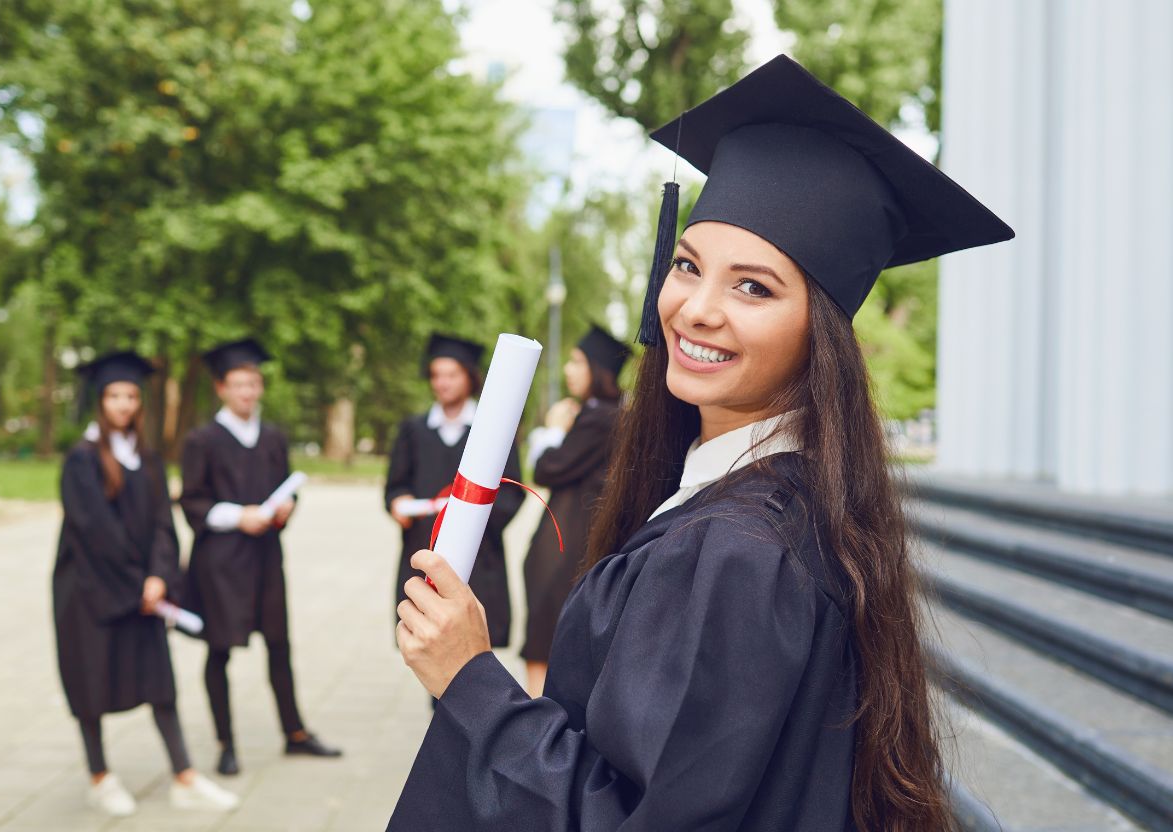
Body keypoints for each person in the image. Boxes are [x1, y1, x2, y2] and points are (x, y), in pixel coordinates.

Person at [387, 55, 1014, 831]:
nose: (695, 309)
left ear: (818, 334)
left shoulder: (734, 553)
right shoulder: (796, 506)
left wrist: (469, 678)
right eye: (687, 266)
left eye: (753, 286)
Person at [53, 351, 238, 816]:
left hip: (143, 591)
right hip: (90, 592)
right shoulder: (81, 460)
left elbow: (162, 523)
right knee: (91, 683)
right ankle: (100, 776)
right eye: (114, 396)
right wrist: (141, 583)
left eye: (131, 396)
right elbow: (95, 532)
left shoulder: (148, 458)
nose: (123, 404)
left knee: (159, 684)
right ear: (100, 401)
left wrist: (159, 576)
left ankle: (184, 776)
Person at [179, 338, 341, 777]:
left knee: (279, 643)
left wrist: (286, 510)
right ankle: (225, 742)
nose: (247, 392)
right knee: (219, 649)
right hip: (221, 560)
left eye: (253, 383)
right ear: (221, 389)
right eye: (238, 384)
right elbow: (192, 502)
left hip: (267, 556)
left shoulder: (272, 438)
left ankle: (295, 733)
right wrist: (238, 516)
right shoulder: (202, 440)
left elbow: (288, 488)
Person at [385, 333, 525, 655]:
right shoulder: (413, 430)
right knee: (427, 639)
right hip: (424, 548)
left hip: (479, 555)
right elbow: (395, 485)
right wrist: (397, 503)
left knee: (473, 649)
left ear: (469, 377)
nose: (442, 383)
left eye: (451, 375)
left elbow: (512, 492)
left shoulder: (492, 431)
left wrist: (472, 520)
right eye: (436, 375)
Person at [521, 325, 628, 696]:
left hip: (566, 543)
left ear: (598, 369)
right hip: (576, 540)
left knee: (543, 636)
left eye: (577, 361)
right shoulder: (613, 412)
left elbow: (547, 468)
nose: (568, 369)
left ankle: (532, 730)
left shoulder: (600, 416)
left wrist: (553, 430)